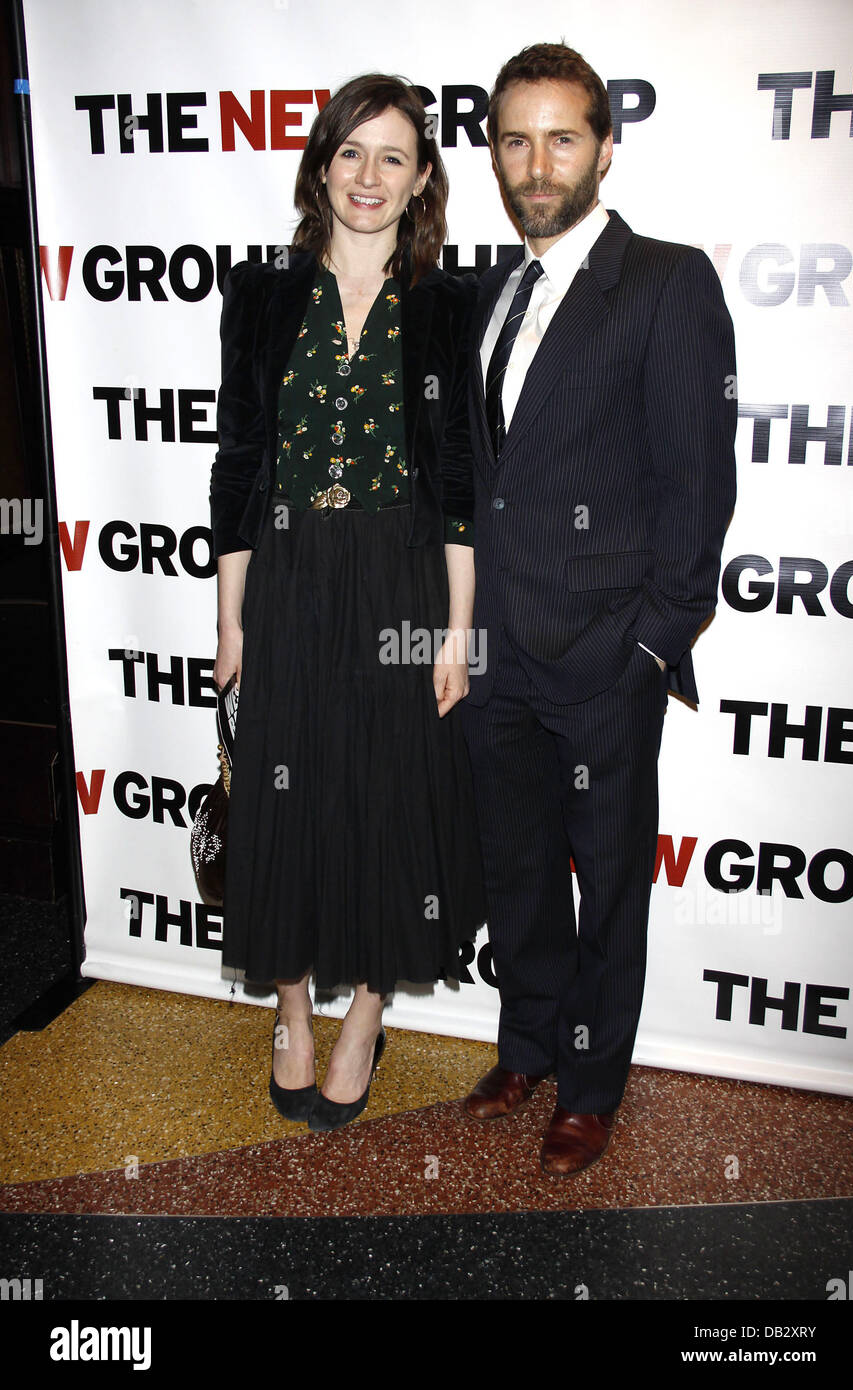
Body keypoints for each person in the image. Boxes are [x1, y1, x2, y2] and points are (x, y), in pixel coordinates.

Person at [458, 43, 737, 1174]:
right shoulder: (486, 292)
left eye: (560, 136)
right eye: (514, 140)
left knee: (607, 879)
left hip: (603, 652)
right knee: (516, 866)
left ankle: (588, 1081)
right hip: (495, 656)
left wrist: (649, 645)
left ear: (603, 147)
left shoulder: (665, 282)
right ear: (493, 154)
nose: (537, 162)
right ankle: (525, 1038)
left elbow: (696, 483)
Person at [210, 74, 485, 1133]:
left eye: (393, 158)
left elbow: (457, 483)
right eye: (351, 152)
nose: (368, 177)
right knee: (283, 796)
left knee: (388, 793)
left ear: (420, 183)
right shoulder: (262, 297)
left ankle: (366, 1010)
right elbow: (237, 465)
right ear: (320, 165)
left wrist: (455, 633)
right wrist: (232, 618)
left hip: (401, 571)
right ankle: (288, 1007)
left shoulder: (447, 306)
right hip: (285, 566)